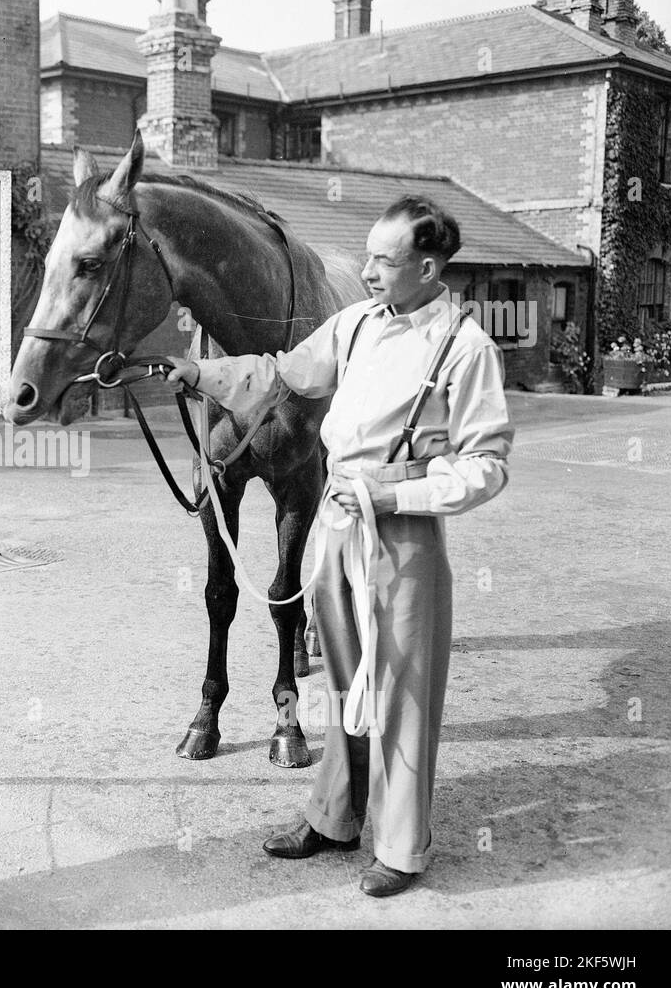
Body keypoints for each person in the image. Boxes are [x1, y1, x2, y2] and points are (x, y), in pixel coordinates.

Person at [166, 195, 513, 897]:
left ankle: (403, 848)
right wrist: (201, 373)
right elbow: (281, 374)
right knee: (345, 683)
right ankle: (333, 817)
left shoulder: (465, 347)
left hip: (403, 535)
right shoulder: (353, 324)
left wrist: (394, 495)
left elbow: (487, 465)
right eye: (368, 254)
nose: (368, 269)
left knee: (402, 693)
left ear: (427, 264)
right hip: (337, 524)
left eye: (384, 260)